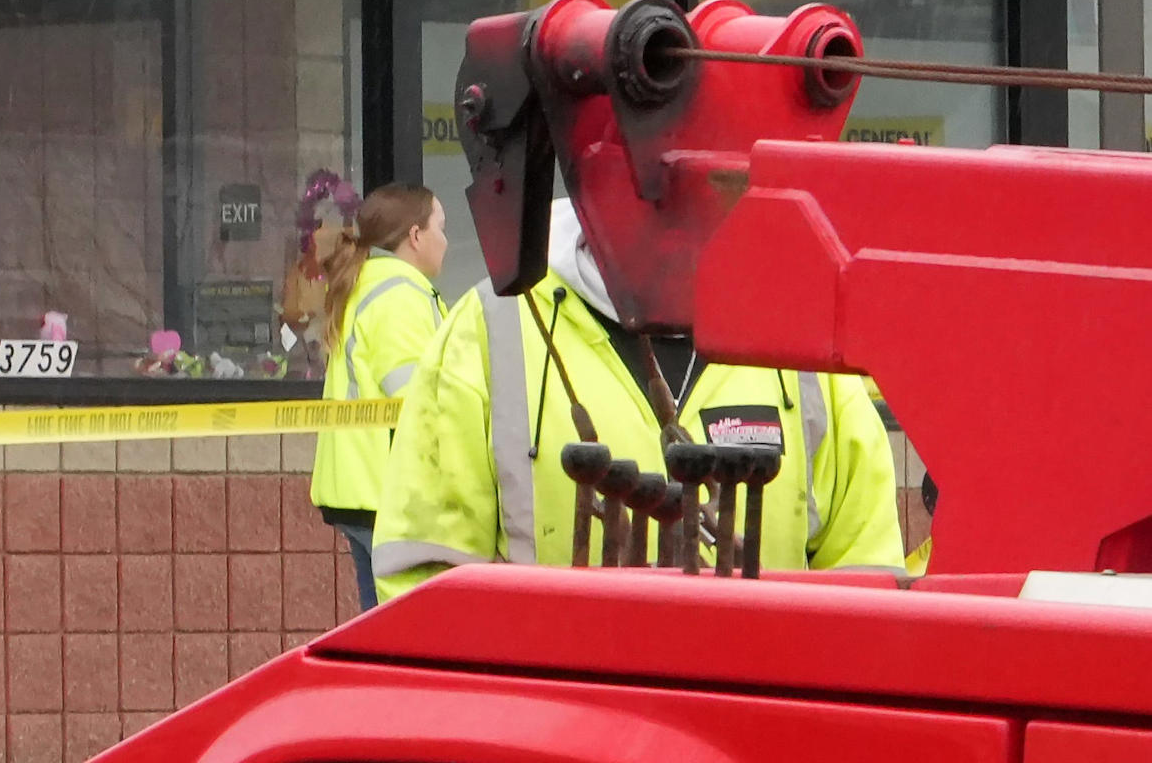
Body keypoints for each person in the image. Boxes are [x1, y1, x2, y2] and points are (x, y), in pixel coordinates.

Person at [375, 199, 904, 588]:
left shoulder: (801, 326)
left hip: (755, 732)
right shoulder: (493, 323)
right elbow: (423, 584)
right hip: (561, 730)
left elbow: (867, 580)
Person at [283, 183, 448, 608]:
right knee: (403, 642)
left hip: (362, 490)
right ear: (415, 236)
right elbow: (418, 405)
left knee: (382, 633)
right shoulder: (400, 296)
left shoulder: (367, 286)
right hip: (390, 494)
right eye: (440, 229)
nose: (445, 241)